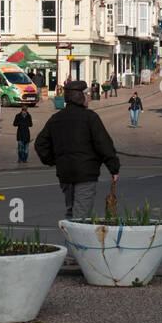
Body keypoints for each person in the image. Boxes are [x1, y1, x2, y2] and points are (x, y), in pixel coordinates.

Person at [35, 80, 120, 220]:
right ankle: (75, 241)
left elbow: (40, 143)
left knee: (71, 211)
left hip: (65, 174)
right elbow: (103, 144)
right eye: (86, 95)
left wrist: (54, 160)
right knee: (81, 215)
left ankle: (70, 240)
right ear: (79, 97)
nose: (89, 98)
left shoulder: (56, 118)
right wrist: (114, 168)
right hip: (86, 173)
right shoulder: (90, 117)